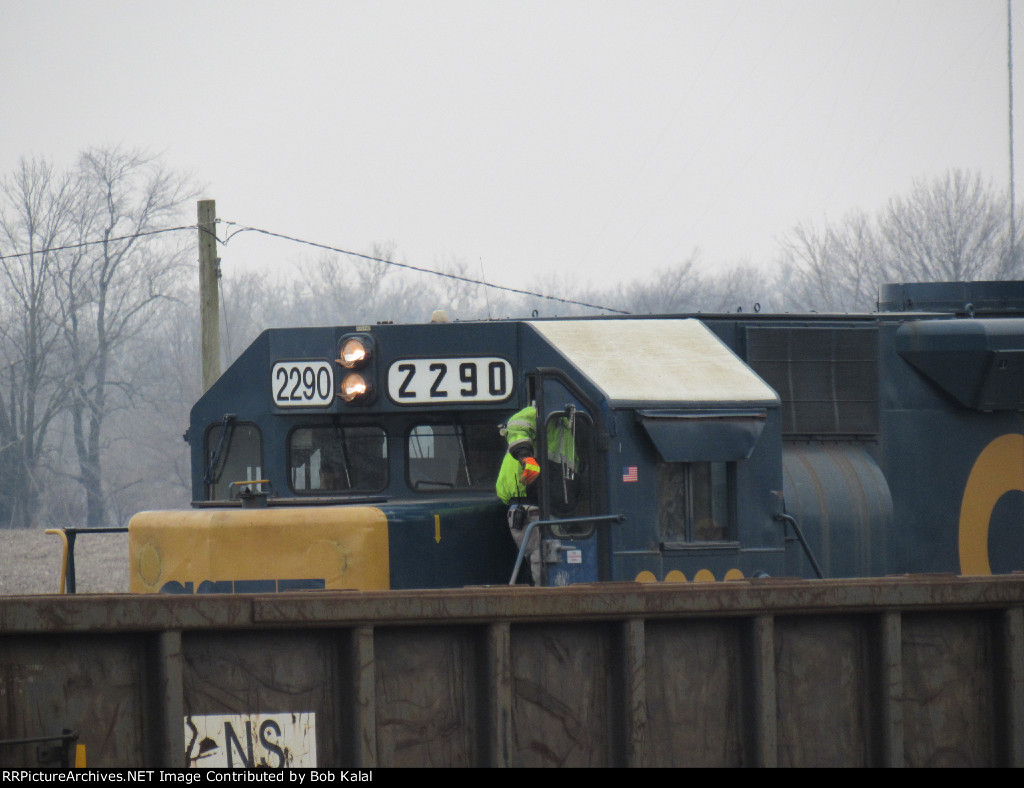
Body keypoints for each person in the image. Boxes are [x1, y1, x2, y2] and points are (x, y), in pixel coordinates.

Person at [496, 405, 579, 585]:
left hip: (547, 508)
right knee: (543, 563)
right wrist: (526, 456)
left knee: (545, 564)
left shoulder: (566, 428)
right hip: (530, 506)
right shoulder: (541, 412)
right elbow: (517, 425)